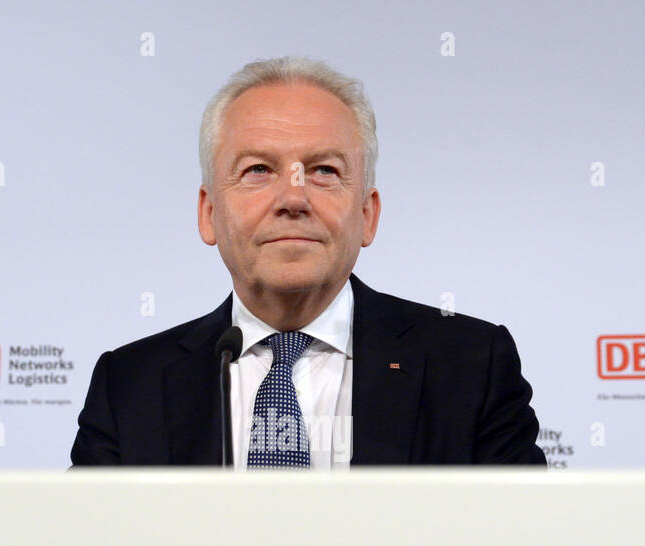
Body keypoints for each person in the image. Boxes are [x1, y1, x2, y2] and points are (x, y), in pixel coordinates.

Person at [70, 56, 545, 468]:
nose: (292, 198)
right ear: (209, 213)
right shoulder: (129, 386)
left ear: (367, 214)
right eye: (258, 170)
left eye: (323, 171)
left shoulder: (471, 366)